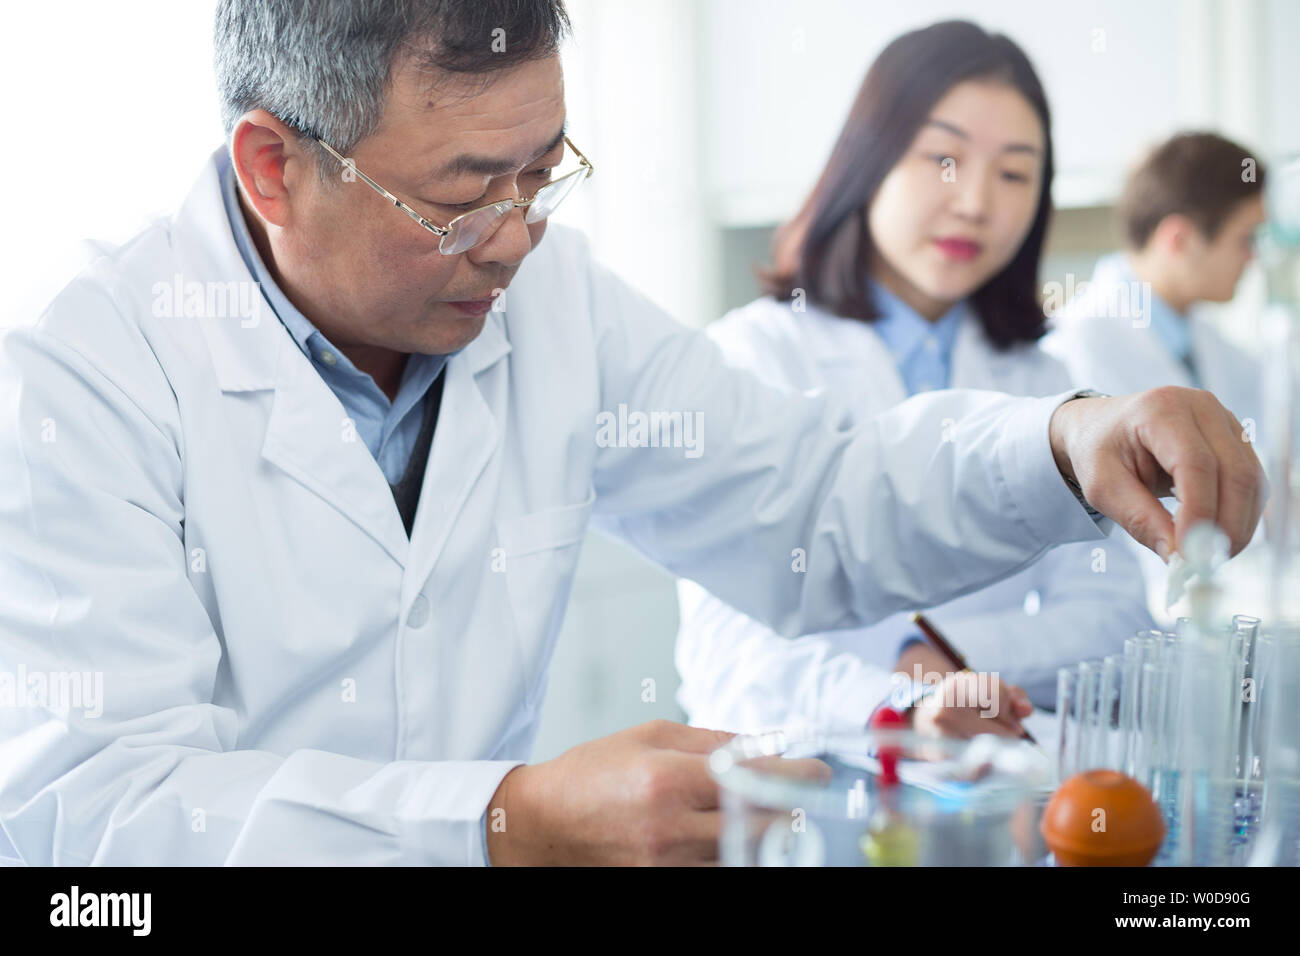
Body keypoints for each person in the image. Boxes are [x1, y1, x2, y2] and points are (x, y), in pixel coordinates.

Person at [0, 1, 1264, 866]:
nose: (513, 234)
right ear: (273, 166)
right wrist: (501, 822)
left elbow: (811, 506)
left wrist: (1061, 443)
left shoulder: (553, 302)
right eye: (458, 194)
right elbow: (89, 826)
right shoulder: (82, 373)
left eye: (541, 170)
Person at [675, 21, 1155, 741]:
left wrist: (940, 664)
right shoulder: (754, 356)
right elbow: (734, 651)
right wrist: (904, 695)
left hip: (996, 790)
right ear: (868, 159)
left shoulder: (1044, 380)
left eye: (1016, 173)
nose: (977, 202)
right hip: (805, 790)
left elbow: (1114, 620)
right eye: (944, 159)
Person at [1044, 132, 1268, 618]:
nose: (1254, 258)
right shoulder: (1074, 346)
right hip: (1125, 623)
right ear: (1180, 239)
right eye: (1245, 239)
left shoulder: (1208, 342)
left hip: (1210, 614)